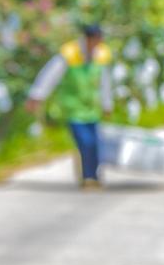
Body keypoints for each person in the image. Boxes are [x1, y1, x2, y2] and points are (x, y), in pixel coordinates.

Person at [25, 24, 113, 189]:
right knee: (85, 142)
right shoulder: (69, 54)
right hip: (72, 107)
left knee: (95, 142)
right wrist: (36, 96)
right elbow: (50, 76)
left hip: (92, 108)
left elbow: (104, 82)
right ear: (88, 39)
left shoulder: (102, 55)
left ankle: (94, 176)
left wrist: (107, 103)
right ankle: (88, 177)